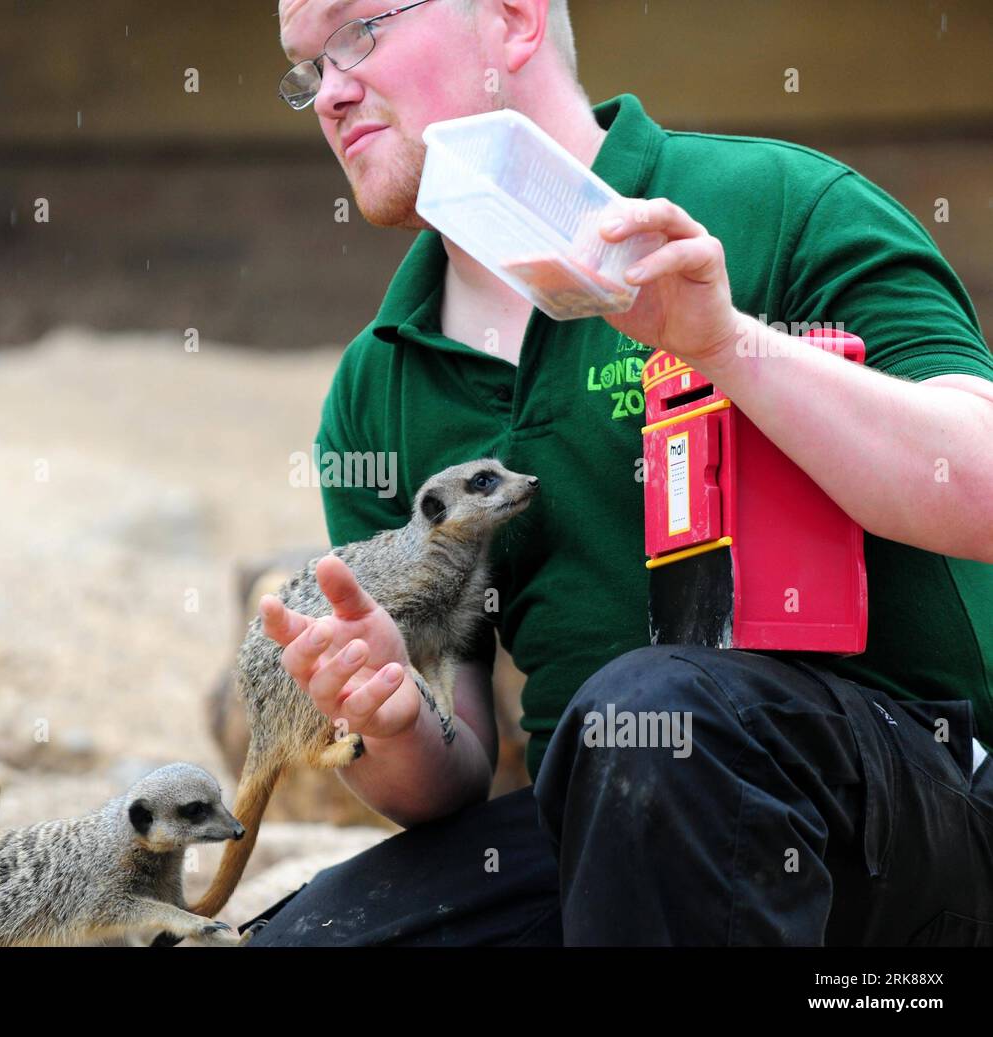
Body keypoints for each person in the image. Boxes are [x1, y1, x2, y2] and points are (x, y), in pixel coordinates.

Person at [240, 0, 993, 946]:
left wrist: (727, 346)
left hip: (921, 821)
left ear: (513, 20)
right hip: (611, 829)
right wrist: (388, 722)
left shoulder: (777, 203)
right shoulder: (381, 379)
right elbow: (458, 771)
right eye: (306, 67)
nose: (330, 93)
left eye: (360, 33)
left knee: (649, 720)